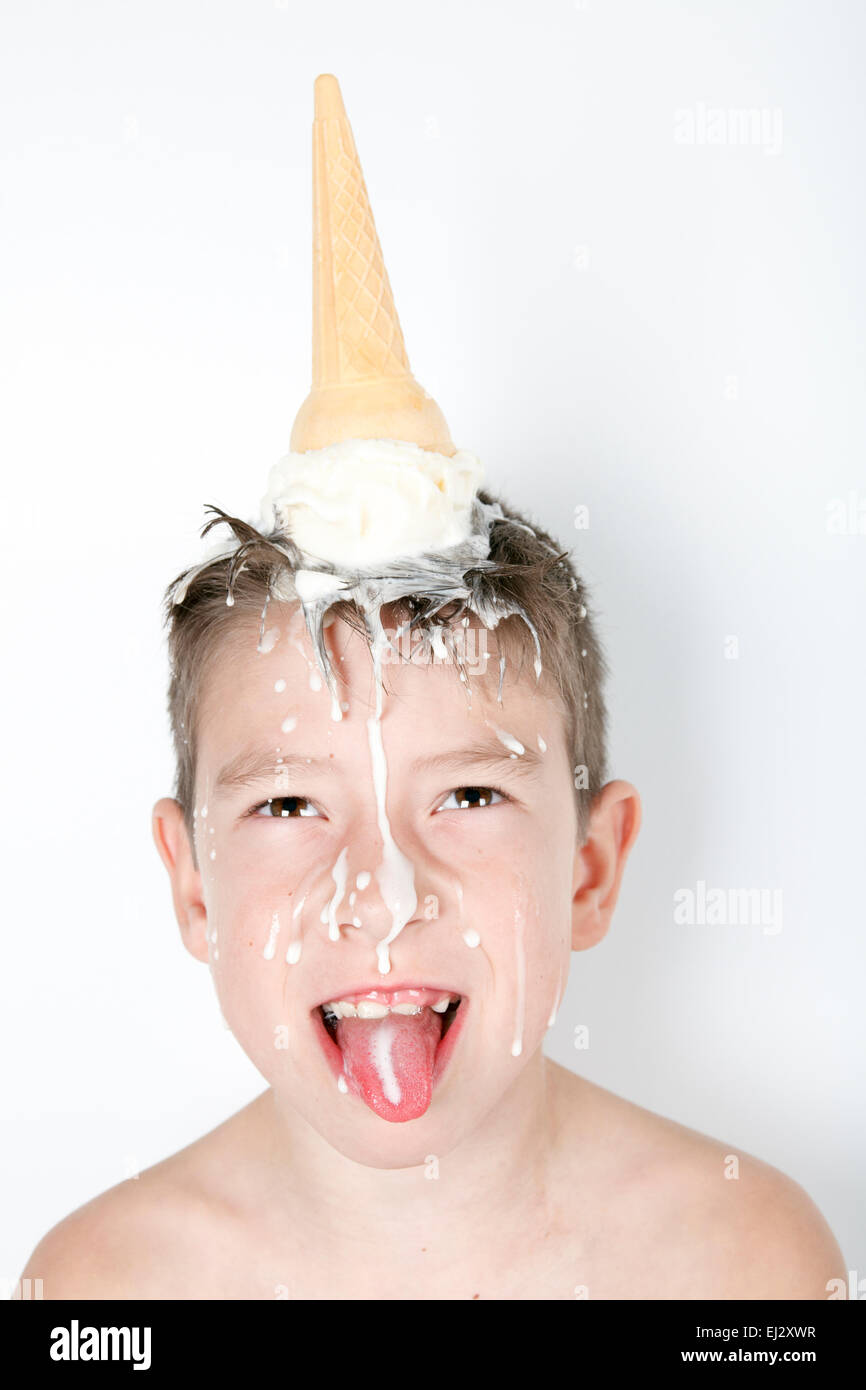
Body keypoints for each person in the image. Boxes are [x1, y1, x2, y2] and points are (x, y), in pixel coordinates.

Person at [19, 74, 846, 1301]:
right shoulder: (102, 1293)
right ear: (191, 884)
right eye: (289, 806)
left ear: (589, 865)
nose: (382, 891)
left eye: (465, 793)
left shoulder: (744, 1268)